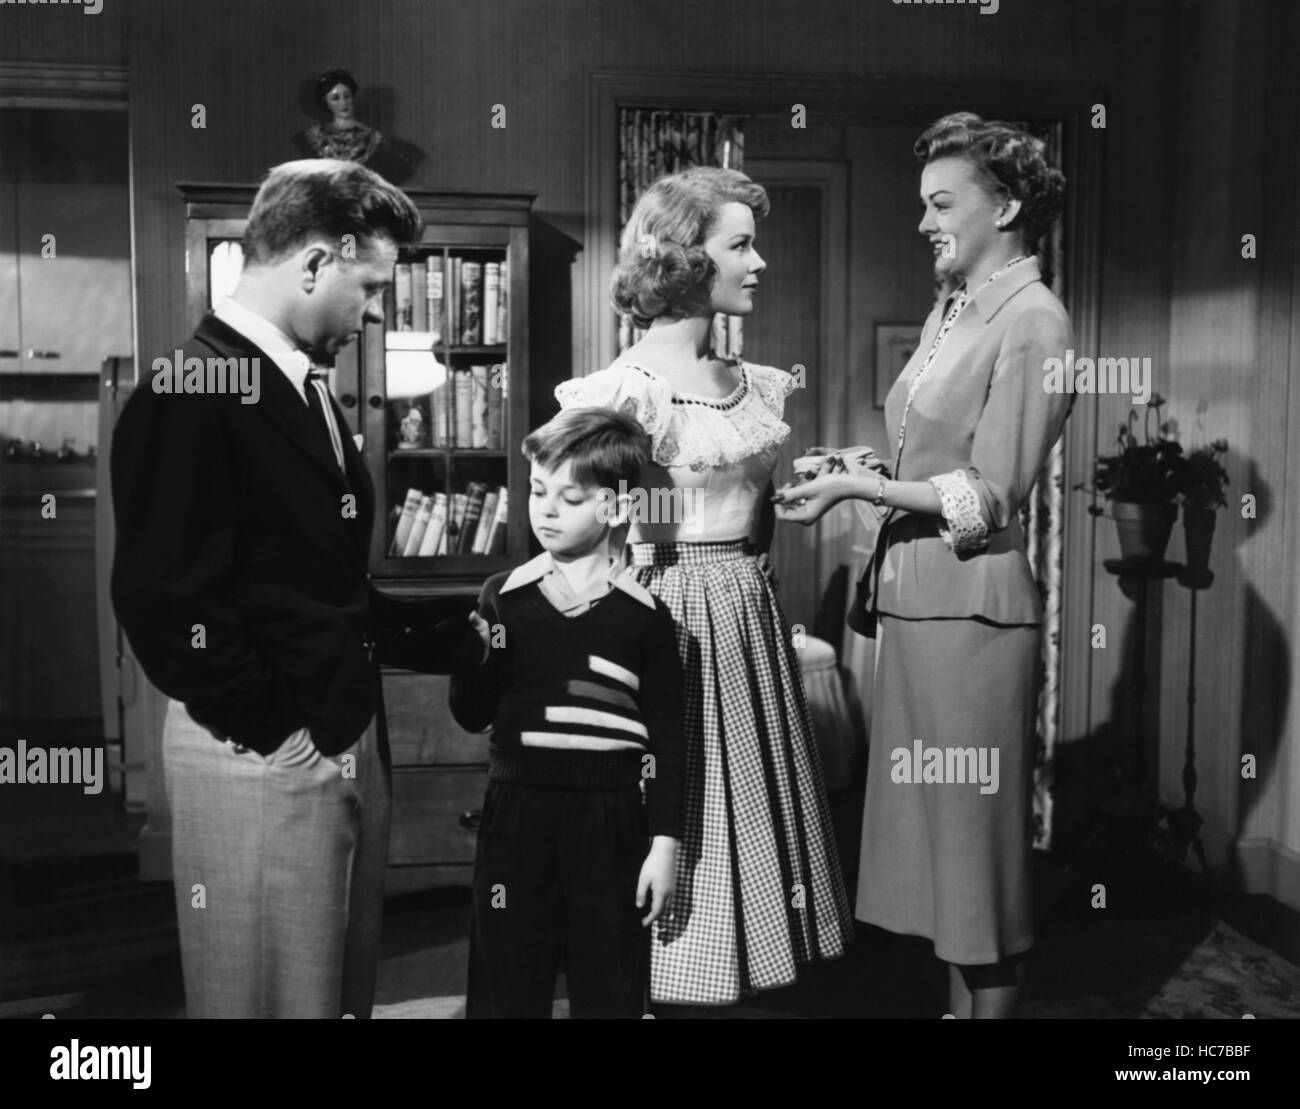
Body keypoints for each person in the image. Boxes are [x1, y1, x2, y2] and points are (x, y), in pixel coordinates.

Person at [110, 159, 483, 1018]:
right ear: (314, 262)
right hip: (266, 755)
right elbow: (164, 603)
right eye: (372, 285)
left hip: (332, 733)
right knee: (263, 1004)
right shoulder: (190, 388)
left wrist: (467, 620)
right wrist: (281, 734)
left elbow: (319, 585)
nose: (380, 311)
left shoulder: (305, 385)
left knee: (329, 998)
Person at [773, 112, 1073, 1018]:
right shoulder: (954, 306)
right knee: (945, 873)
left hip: (972, 624)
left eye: (942, 203)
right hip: (912, 612)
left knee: (976, 872)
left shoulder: (1036, 322)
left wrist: (863, 498)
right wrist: (862, 469)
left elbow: (988, 496)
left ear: (1008, 205)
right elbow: (933, 456)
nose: (923, 222)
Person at [557, 166, 853, 1008]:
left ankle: (737, 969)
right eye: (740, 245)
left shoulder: (755, 383)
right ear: (686, 259)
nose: (758, 263)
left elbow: (745, 509)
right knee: (673, 808)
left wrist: (812, 490)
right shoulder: (622, 393)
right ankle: (666, 978)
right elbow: (590, 527)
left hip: (748, 613)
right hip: (665, 607)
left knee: (747, 818)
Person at [449, 407, 685, 1018]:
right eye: (537, 490)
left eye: (569, 497)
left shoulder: (646, 617)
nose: (546, 509)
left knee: (608, 982)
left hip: (609, 822)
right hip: (516, 814)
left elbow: (667, 742)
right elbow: (472, 714)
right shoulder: (503, 597)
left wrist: (664, 843)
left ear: (616, 509)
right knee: (506, 982)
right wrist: (467, 656)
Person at [306, 67, 382, 165]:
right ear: (326, 102)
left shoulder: (371, 137)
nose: (343, 103)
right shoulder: (317, 136)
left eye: (347, 96)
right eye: (335, 98)